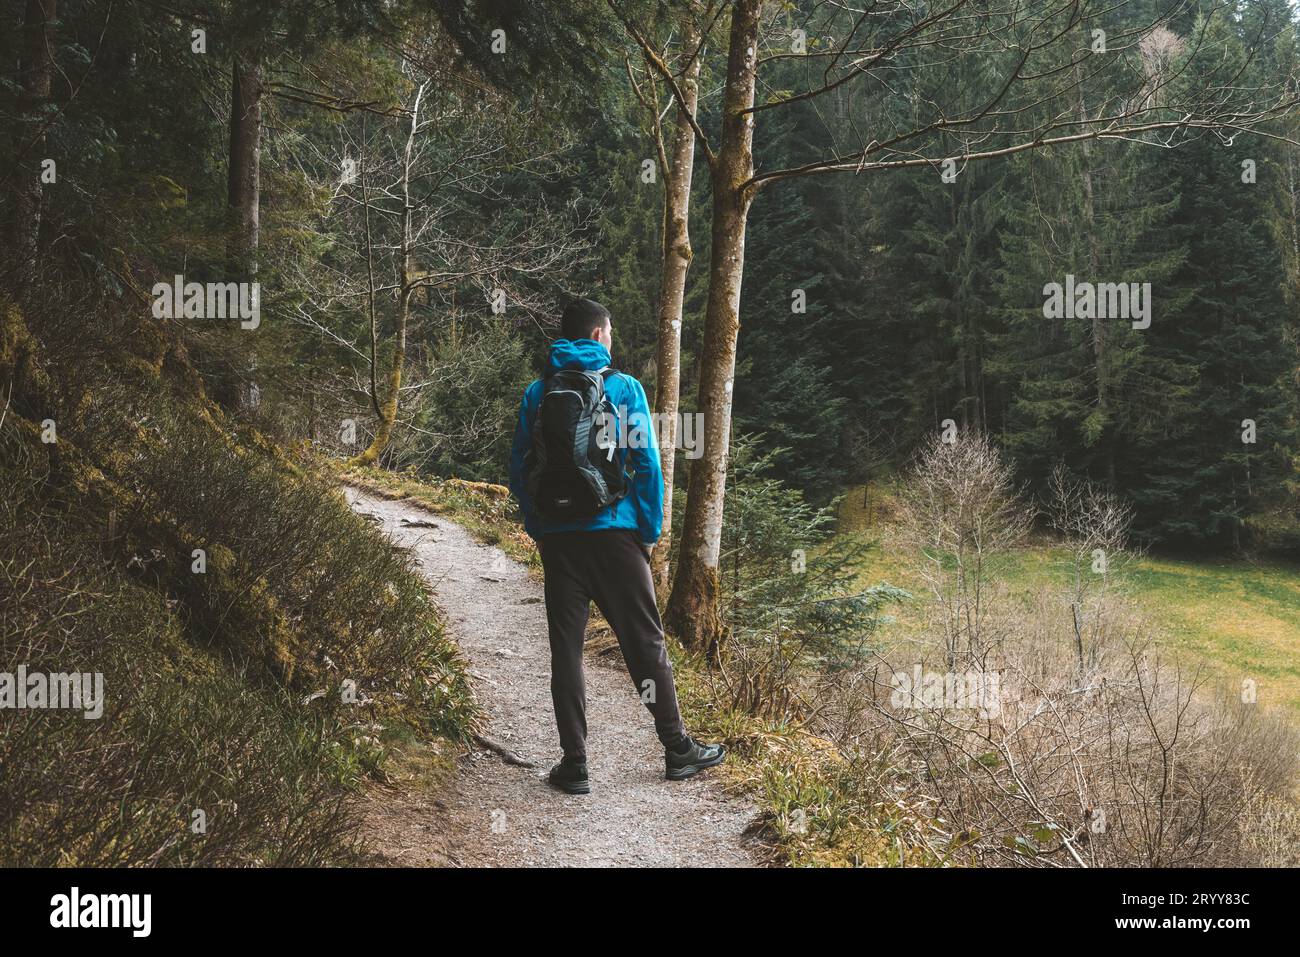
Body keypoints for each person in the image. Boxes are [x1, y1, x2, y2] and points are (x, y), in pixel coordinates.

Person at [508, 298, 725, 794]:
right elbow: (647, 465)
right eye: (611, 331)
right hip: (615, 535)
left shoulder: (538, 392)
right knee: (645, 643)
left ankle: (575, 763)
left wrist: (538, 524)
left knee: (566, 650)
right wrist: (647, 532)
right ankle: (677, 749)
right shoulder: (623, 388)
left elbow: (520, 468)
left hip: (559, 542)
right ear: (601, 334)